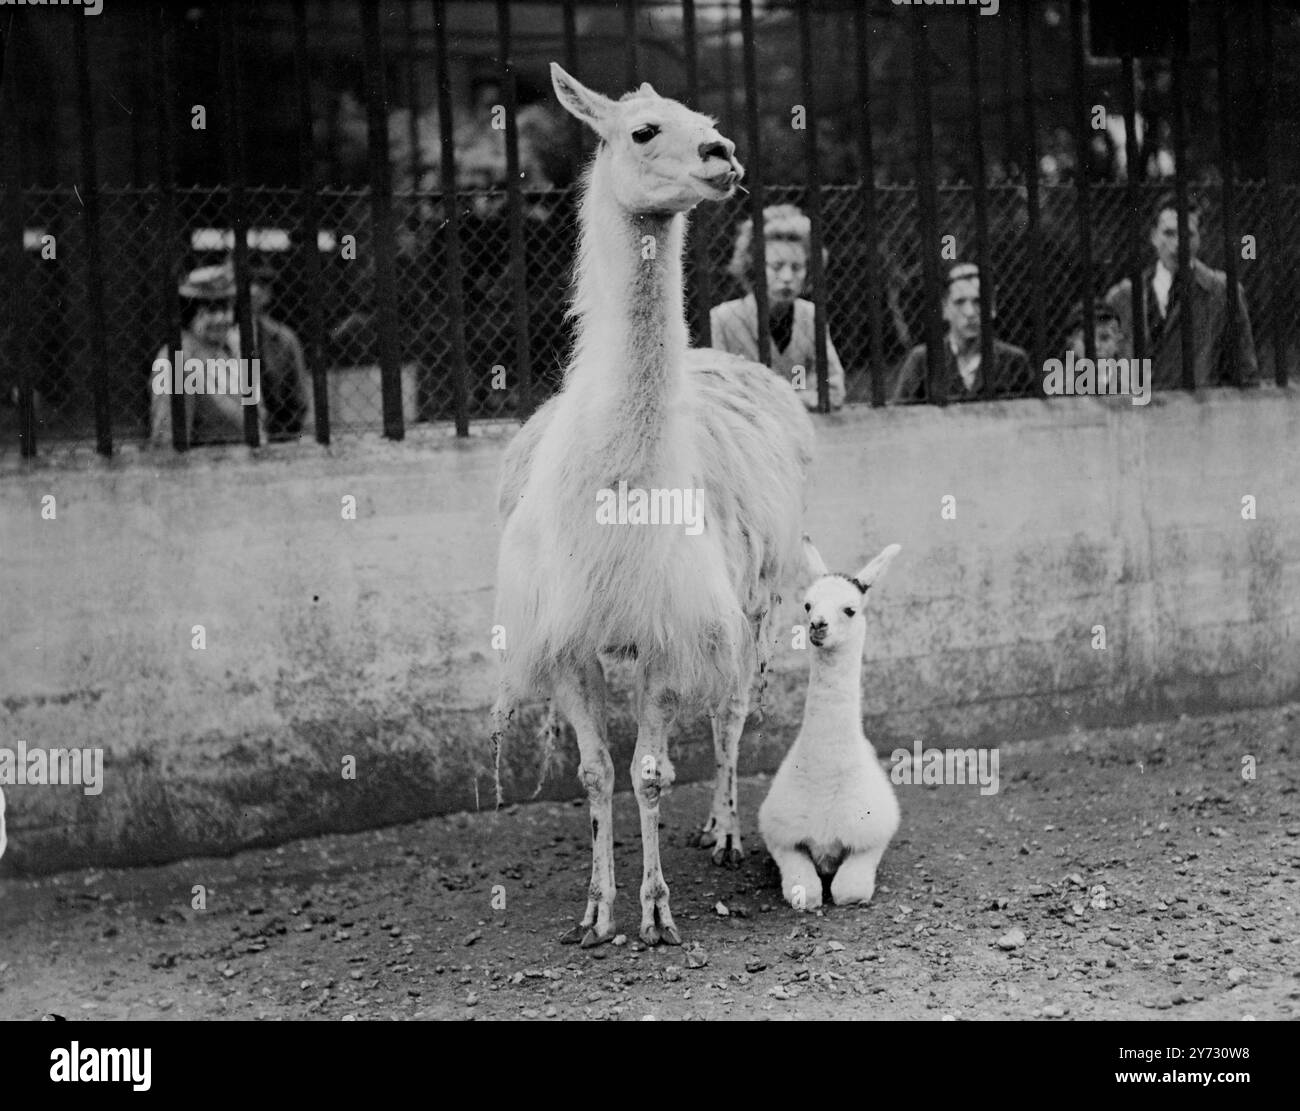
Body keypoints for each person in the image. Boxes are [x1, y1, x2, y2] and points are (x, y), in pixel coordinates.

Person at [1103, 192, 1258, 389]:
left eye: (1187, 234)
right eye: (1168, 233)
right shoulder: (1122, 297)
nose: (1177, 244)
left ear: (1200, 238)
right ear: (1153, 236)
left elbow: (1244, 372)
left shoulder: (1223, 292)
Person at [710, 204, 846, 411]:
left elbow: (833, 390)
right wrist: (801, 398)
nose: (787, 278)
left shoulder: (810, 316)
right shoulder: (723, 319)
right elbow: (717, 394)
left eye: (797, 267)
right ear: (754, 267)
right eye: (776, 266)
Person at [890, 262, 1030, 403]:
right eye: (959, 302)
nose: (969, 312)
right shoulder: (922, 360)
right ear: (945, 309)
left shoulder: (1013, 361)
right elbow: (899, 418)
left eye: (978, 301)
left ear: (992, 307)